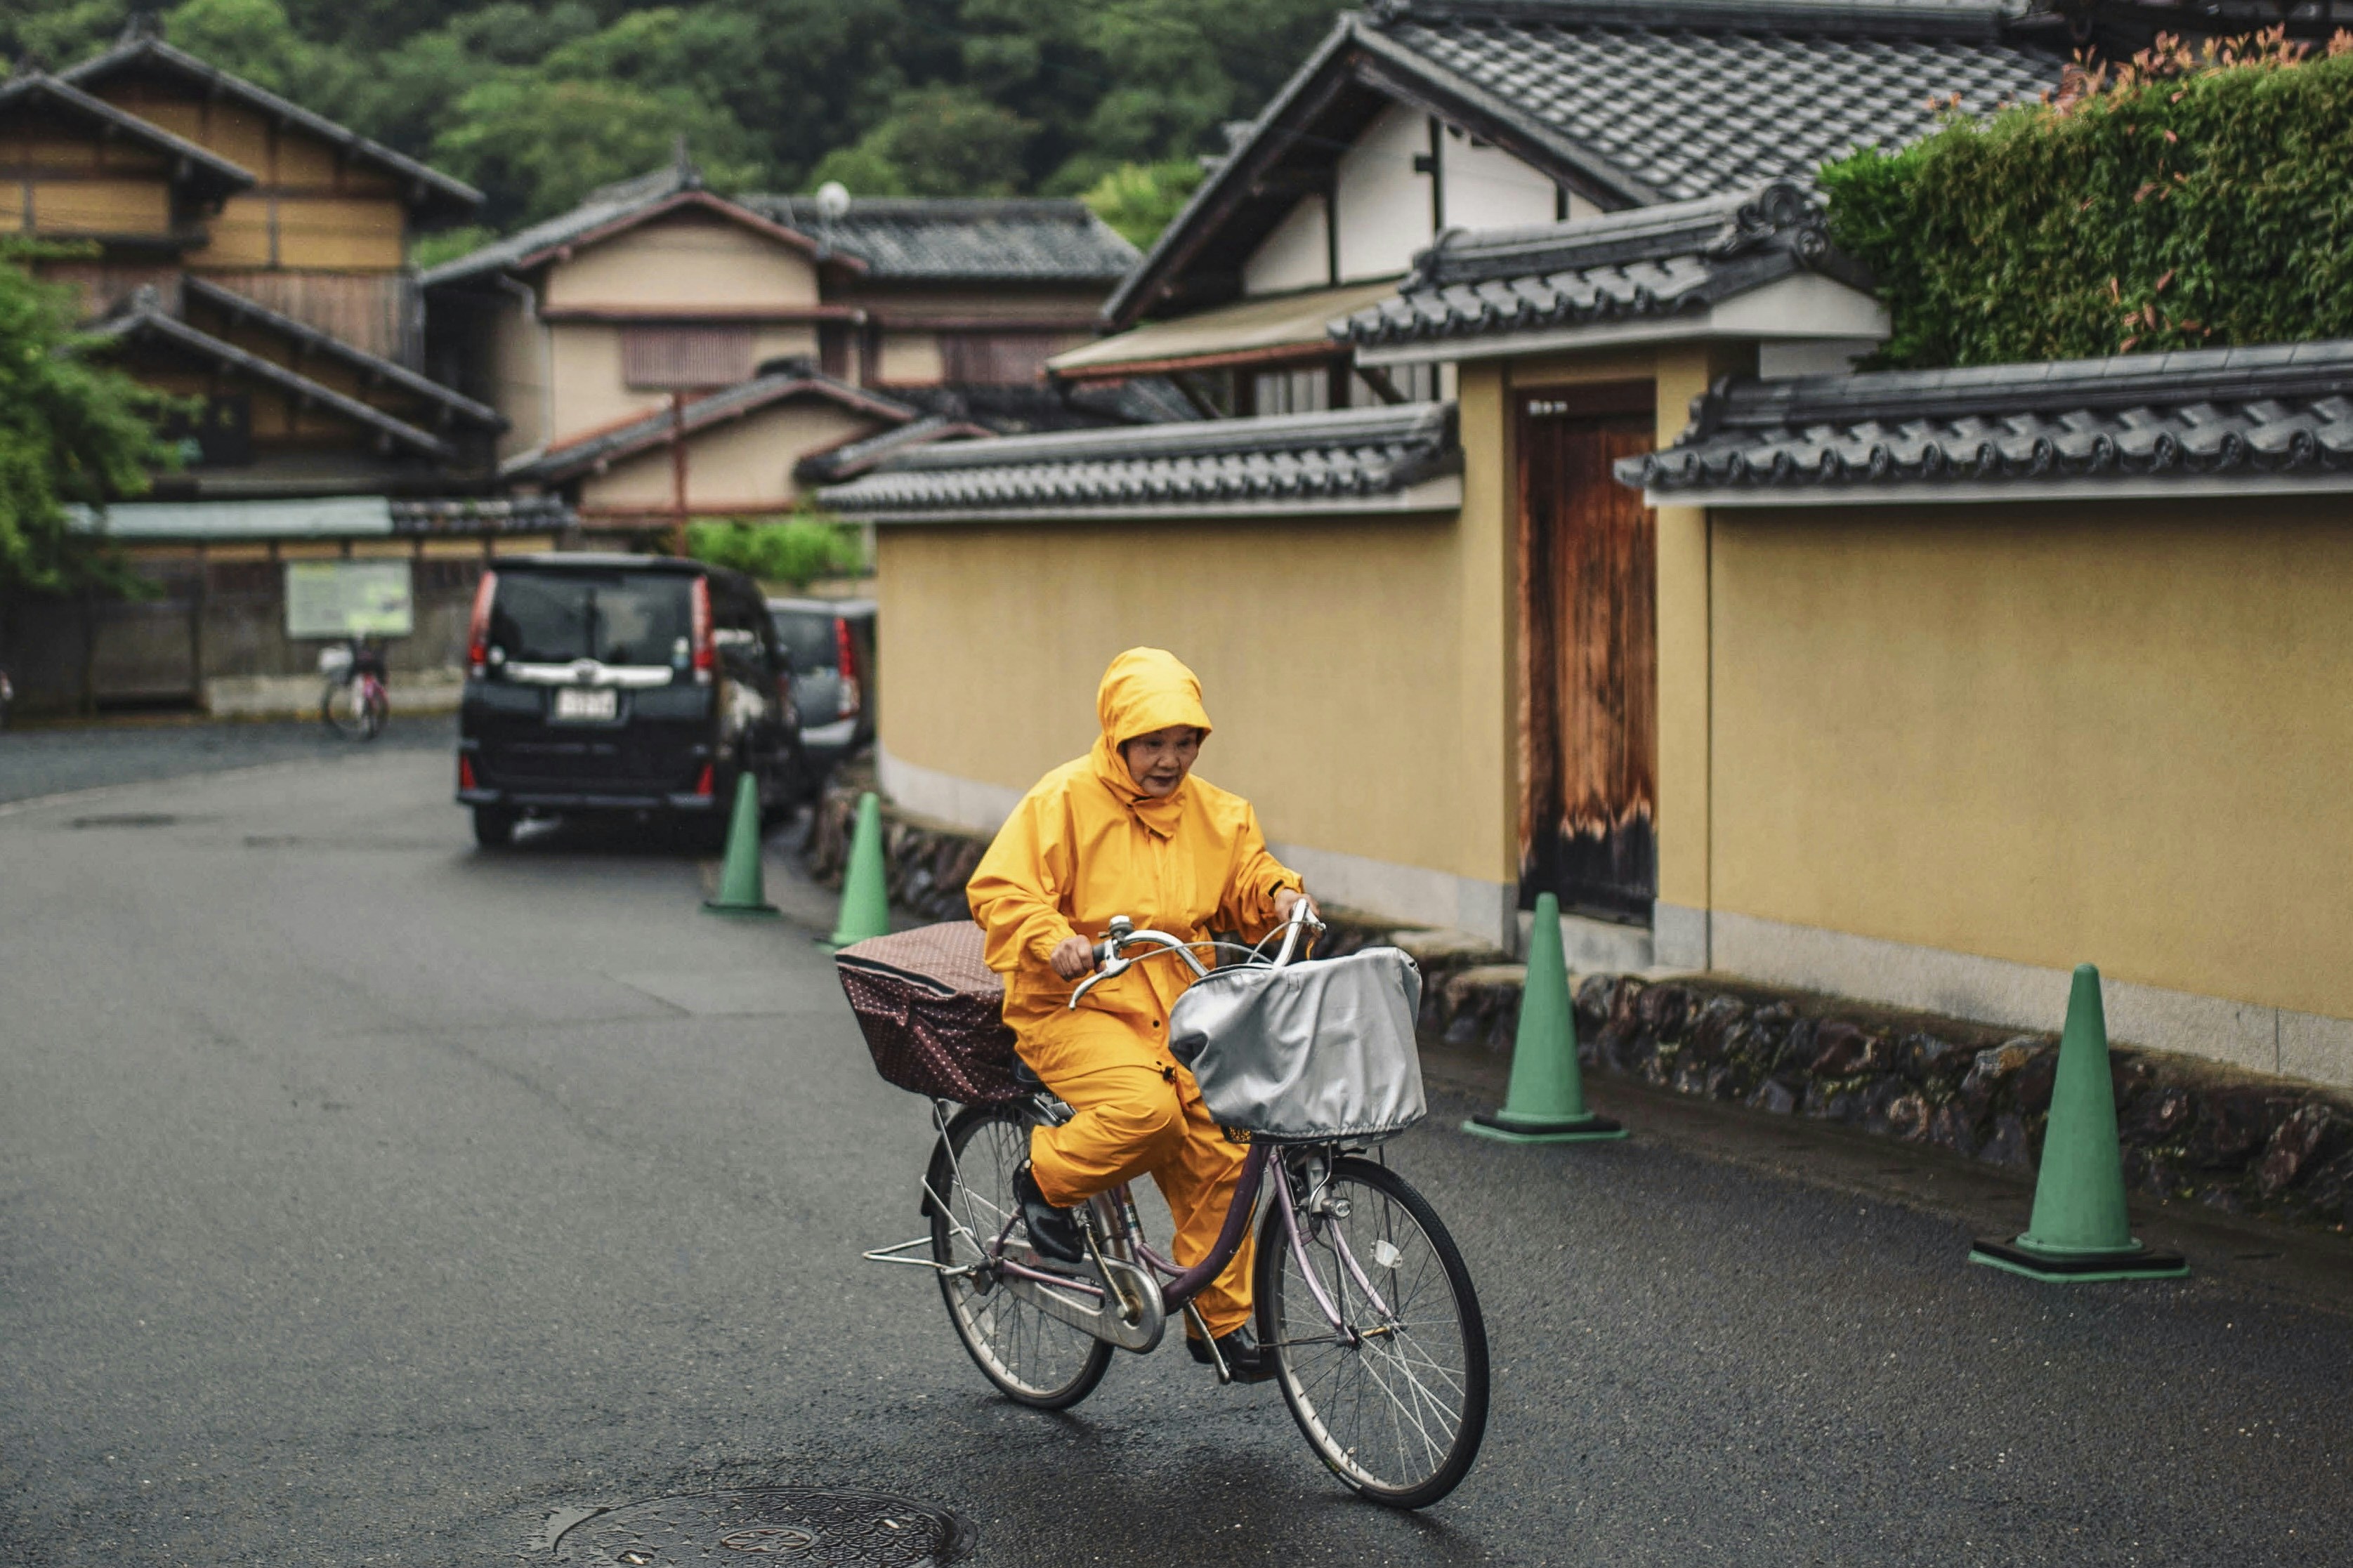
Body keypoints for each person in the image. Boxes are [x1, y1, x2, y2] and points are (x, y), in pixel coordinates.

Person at [965, 647, 1313, 1383]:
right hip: (1075, 1004)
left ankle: (1216, 1325)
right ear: (1117, 736)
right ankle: (1043, 1178)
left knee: (1222, 1146)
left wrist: (1281, 895)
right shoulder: (1061, 800)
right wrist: (1053, 938)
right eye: (1152, 742)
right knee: (1146, 1113)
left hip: (1182, 1004)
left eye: (1184, 742)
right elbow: (1001, 887)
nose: (1170, 759)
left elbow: (1248, 874)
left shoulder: (1217, 812)